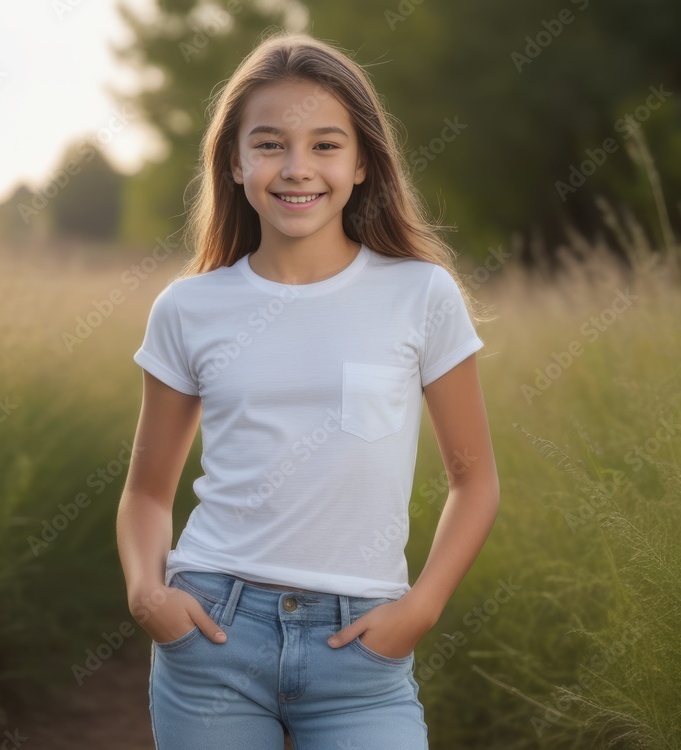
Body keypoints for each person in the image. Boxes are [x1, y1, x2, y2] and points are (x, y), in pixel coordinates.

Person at [115, 30, 500, 750]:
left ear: (362, 164)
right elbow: (145, 493)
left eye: (325, 145)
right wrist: (147, 595)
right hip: (212, 635)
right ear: (234, 162)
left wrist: (422, 609)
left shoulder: (421, 295)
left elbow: (473, 482)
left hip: (362, 649)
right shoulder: (187, 309)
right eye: (269, 144)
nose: (297, 168)